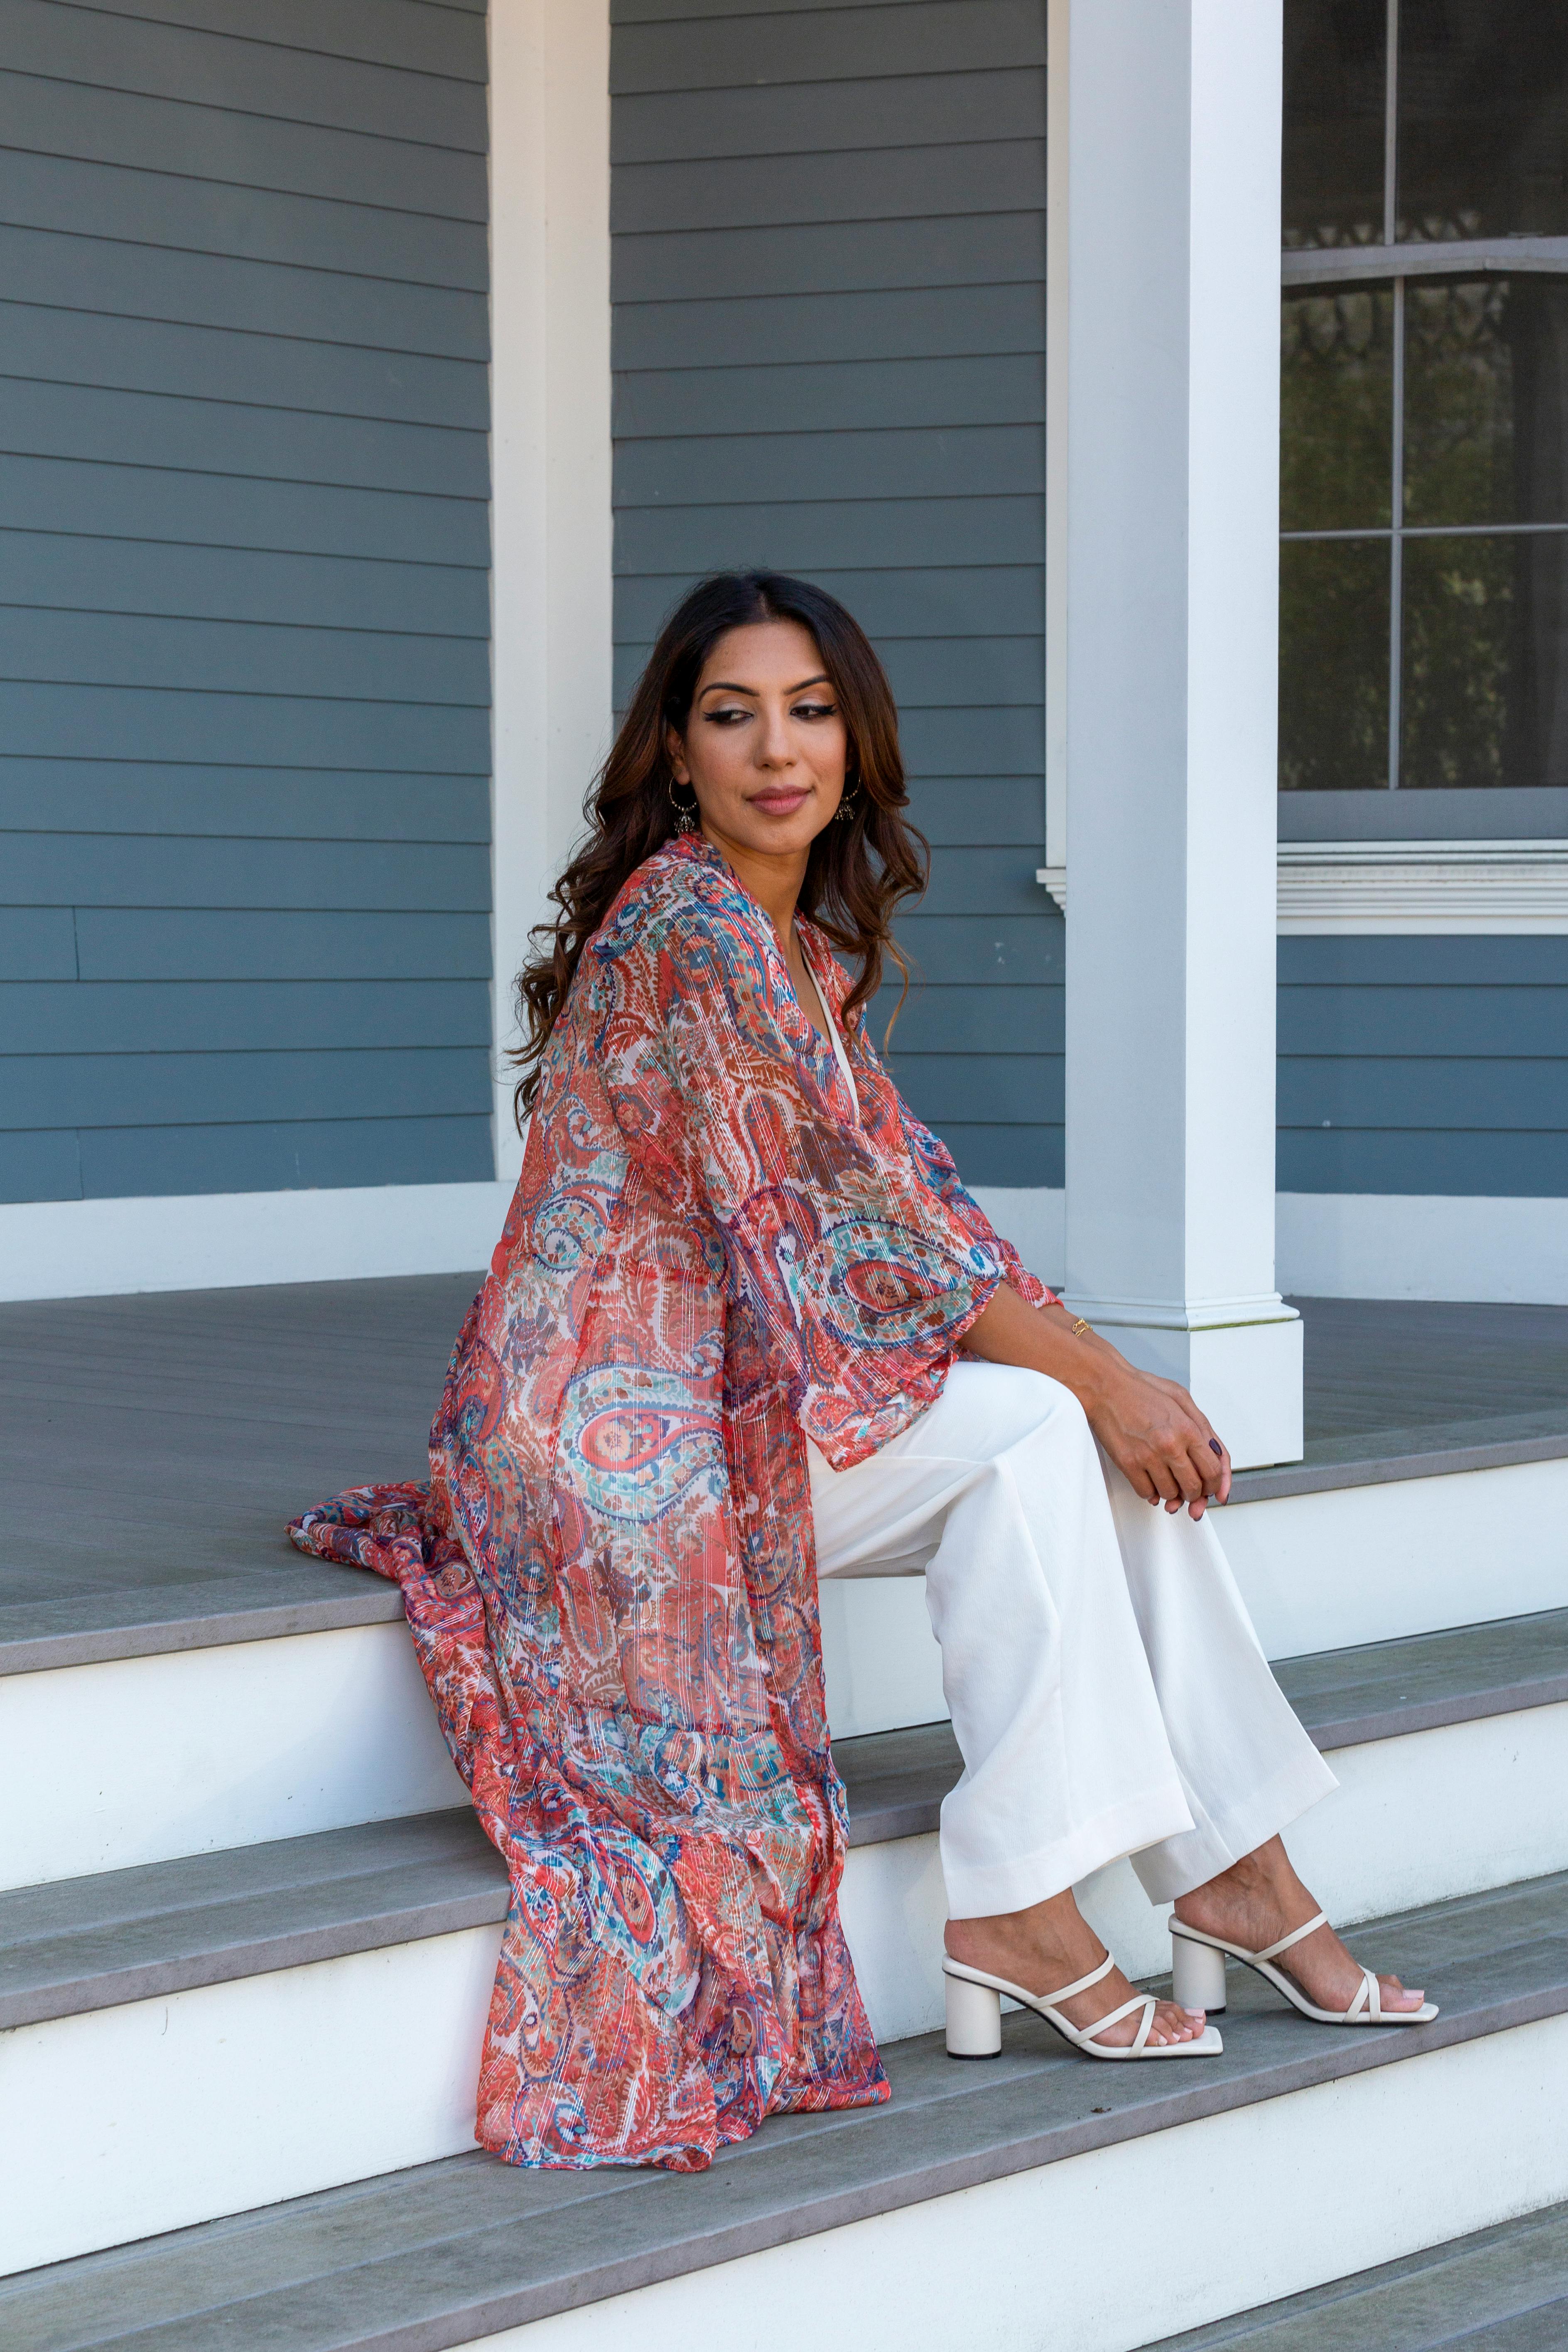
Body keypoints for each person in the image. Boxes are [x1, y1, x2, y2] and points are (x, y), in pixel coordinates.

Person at [290, 571, 1433, 2172]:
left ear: (857, 739)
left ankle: (1234, 1869)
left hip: (729, 1415)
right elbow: (868, 1253)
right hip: (619, 1466)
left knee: (1073, 1431)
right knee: (1047, 1418)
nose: (778, 750)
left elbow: (916, 1212)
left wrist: (1110, 1389)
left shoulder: (795, 949)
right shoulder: (693, 931)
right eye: (732, 714)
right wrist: (1108, 1378)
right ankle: (1037, 1900)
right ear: (674, 754)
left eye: (811, 711)